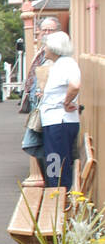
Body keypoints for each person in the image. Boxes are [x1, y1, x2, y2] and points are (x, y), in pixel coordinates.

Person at [39, 31, 81, 190]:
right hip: (56, 122)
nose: (44, 49)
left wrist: (66, 101)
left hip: (59, 122)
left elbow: (75, 85)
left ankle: (58, 195)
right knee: (54, 160)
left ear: (55, 48)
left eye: (46, 46)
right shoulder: (61, 64)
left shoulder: (66, 64)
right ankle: (57, 192)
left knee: (56, 161)